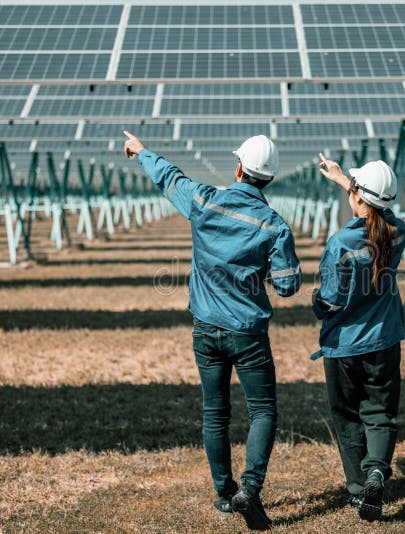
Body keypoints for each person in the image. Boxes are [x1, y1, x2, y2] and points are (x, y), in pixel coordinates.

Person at [124, 131, 302, 531]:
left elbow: (170, 178)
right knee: (262, 410)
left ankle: (224, 493)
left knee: (215, 413)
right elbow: (289, 286)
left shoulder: (204, 201)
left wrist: (142, 151)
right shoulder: (274, 226)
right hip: (249, 334)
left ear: (238, 168)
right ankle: (250, 489)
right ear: (268, 179)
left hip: (205, 329)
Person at [311, 154, 405, 522]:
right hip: (385, 340)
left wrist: (316, 305)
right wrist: (343, 179)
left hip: (344, 345)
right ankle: (377, 471)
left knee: (348, 416)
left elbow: (332, 300)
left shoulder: (340, 244)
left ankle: (358, 491)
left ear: (356, 197)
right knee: (381, 412)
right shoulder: (397, 232)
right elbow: (378, 211)